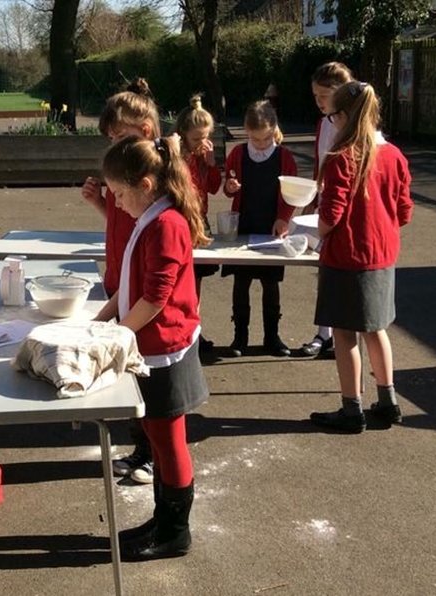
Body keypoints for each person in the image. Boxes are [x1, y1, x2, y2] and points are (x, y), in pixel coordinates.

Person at [94, 135, 209, 561]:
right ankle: (162, 521)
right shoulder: (151, 217)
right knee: (157, 438)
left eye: (121, 194)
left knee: (167, 438)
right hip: (150, 345)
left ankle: (175, 532)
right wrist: (100, 323)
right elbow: (130, 286)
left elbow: (156, 297)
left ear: (145, 184)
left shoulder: (167, 225)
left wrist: (117, 335)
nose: (117, 203)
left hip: (165, 350)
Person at [309, 81, 413, 433]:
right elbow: (404, 210)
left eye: (333, 115)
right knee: (377, 330)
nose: (330, 121)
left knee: (343, 335)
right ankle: (389, 400)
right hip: (381, 254)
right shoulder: (394, 154)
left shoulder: (343, 157)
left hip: (346, 256)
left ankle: (351, 408)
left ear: (344, 116)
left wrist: (313, 232)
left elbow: (332, 214)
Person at [81, 78, 161, 485]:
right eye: (110, 137)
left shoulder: (149, 178)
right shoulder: (122, 173)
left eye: (118, 135)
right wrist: (100, 203)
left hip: (142, 296)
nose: (112, 143)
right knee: (130, 376)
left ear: (144, 131)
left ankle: (152, 455)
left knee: (146, 379)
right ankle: (142, 448)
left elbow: (154, 243)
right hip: (119, 285)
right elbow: (122, 227)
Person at [222, 100, 298, 357]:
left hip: (271, 226)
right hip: (244, 224)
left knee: (271, 282)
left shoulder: (284, 157)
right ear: (247, 132)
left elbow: (291, 194)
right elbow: (228, 185)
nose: (260, 144)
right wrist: (230, 187)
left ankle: (272, 335)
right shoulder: (239, 153)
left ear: (274, 130)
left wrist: (284, 218)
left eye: (265, 139)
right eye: (255, 139)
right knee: (240, 281)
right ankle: (239, 337)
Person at [296, 62, 354, 360]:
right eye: (315, 95)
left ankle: (340, 335)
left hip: (347, 212)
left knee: (340, 275)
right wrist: (308, 200)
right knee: (324, 272)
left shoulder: (353, 127)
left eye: (323, 95)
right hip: (325, 203)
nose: (318, 101)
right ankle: (325, 333)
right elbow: (321, 166)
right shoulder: (323, 124)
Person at [175, 94, 222, 352]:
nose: (202, 143)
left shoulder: (203, 155)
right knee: (181, 278)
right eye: (196, 139)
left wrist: (212, 164)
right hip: (182, 220)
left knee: (197, 280)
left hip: (199, 221)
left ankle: (195, 330)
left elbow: (214, 188)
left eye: (206, 137)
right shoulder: (176, 156)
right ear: (182, 134)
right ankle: (184, 329)